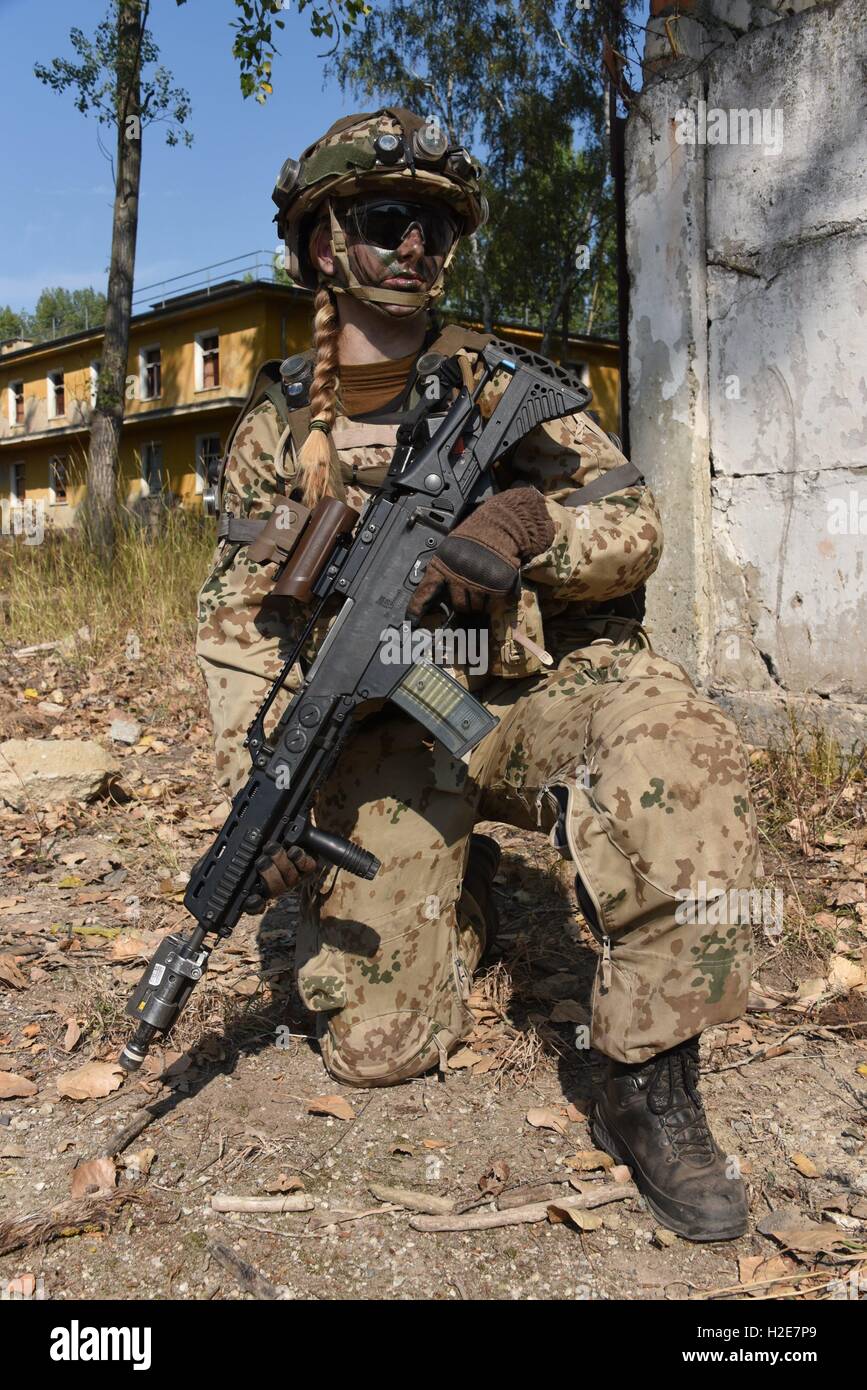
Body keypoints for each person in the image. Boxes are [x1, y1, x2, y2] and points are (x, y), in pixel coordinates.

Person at [196, 108, 760, 1241]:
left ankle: (650, 1081)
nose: (416, 247)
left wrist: (530, 526)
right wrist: (270, 793)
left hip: (527, 697)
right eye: (389, 220)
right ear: (324, 244)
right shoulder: (275, 433)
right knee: (375, 1049)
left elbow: (637, 523)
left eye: (437, 229)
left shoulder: (505, 392)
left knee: (679, 748)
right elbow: (239, 628)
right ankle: (466, 906)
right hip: (385, 724)